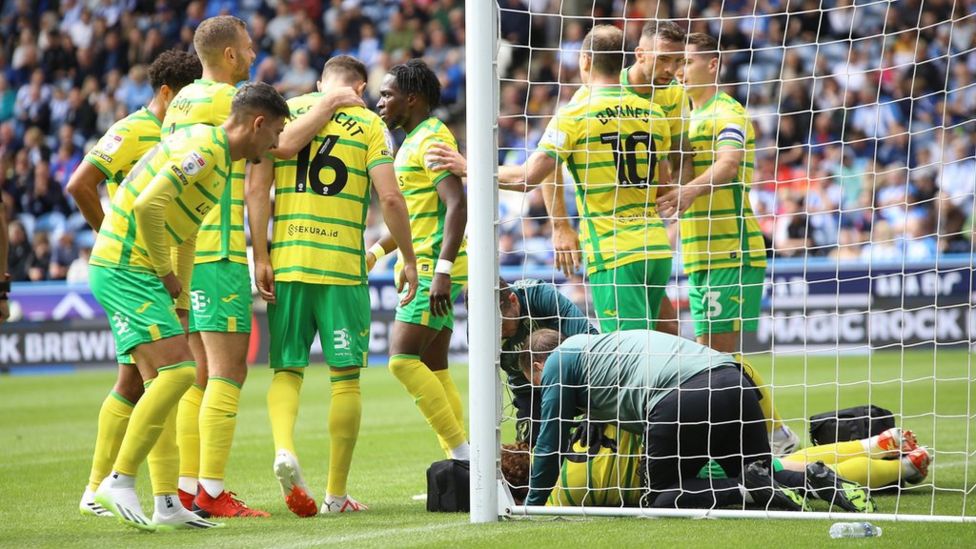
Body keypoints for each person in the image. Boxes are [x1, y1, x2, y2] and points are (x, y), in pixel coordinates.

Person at [163, 15, 363, 517]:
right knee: (227, 375)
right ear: (229, 54)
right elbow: (282, 144)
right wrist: (331, 100)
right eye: (248, 49)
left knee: (199, 373)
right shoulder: (224, 103)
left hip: (183, 247)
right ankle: (209, 491)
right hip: (218, 246)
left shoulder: (179, 103)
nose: (252, 56)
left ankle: (188, 488)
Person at [90, 82, 289, 531]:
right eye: (275, 132)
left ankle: (165, 503)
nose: (276, 144)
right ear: (257, 124)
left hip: (139, 270)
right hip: (126, 266)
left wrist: (179, 300)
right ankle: (115, 479)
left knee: (167, 381)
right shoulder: (204, 145)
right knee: (179, 373)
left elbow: (187, 230)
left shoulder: (221, 161)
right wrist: (165, 274)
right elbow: (147, 206)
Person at [247, 55, 419, 515]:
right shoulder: (369, 126)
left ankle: (285, 448)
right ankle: (335, 495)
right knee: (345, 381)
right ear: (361, 86)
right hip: (343, 266)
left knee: (287, 370)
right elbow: (389, 197)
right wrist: (408, 257)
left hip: (287, 261)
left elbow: (258, 186)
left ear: (323, 82)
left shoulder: (285, 112)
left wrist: (261, 255)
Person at [65, 49, 202, 519]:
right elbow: (81, 183)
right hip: (131, 272)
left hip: (155, 275)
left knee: (139, 383)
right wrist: (112, 241)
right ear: (167, 94)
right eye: (188, 97)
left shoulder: (181, 139)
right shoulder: (133, 130)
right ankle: (109, 487)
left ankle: (154, 497)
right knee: (160, 377)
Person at [496, 25, 674, 335]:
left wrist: (469, 168)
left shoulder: (575, 114)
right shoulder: (655, 113)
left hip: (613, 252)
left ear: (585, 60)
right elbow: (664, 188)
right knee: (661, 344)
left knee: (627, 358)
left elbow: (527, 178)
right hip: (656, 249)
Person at [520, 328, 793, 509]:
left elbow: (550, 443)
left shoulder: (557, 361)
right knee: (764, 474)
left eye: (538, 384)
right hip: (734, 380)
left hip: (686, 398)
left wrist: (531, 506)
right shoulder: (598, 349)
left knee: (660, 498)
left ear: (537, 366)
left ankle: (745, 489)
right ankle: (818, 480)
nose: (543, 391)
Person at [369, 59, 469, 461]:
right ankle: (463, 464)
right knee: (434, 367)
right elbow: (410, 216)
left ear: (411, 99)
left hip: (432, 267)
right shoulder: (413, 140)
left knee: (401, 361)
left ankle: (464, 456)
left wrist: (442, 270)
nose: (380, 103)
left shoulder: (431, 140)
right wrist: (375, 252)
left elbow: (457, 203)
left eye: (387, 95)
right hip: (429, 264)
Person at [504, 425, 930, 510]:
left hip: (669, 474)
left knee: (786, 468)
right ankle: (874, 444)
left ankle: (903, 468)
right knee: (786, 462)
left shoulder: (561, 491)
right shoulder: (579, 427)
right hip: (677, 438)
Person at [656, 32, 768, 355]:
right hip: (697, 254)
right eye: (678, 62)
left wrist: (688, 191)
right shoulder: (684, 118)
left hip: (730, 251)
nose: (680, 70)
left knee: (716, 360)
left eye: (688, 62)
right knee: (708, 359)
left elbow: (729, 164)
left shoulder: (728, 113)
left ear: (713, 65)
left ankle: (748, 407)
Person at [497, 278, 598, 446]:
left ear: (514, 300)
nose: (499, 334)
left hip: (572, 380)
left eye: (501, 324)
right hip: (528, 391)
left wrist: (595, 412)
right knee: (531, 449)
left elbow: (591, 344)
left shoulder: (539, 295)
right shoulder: (479, 330)